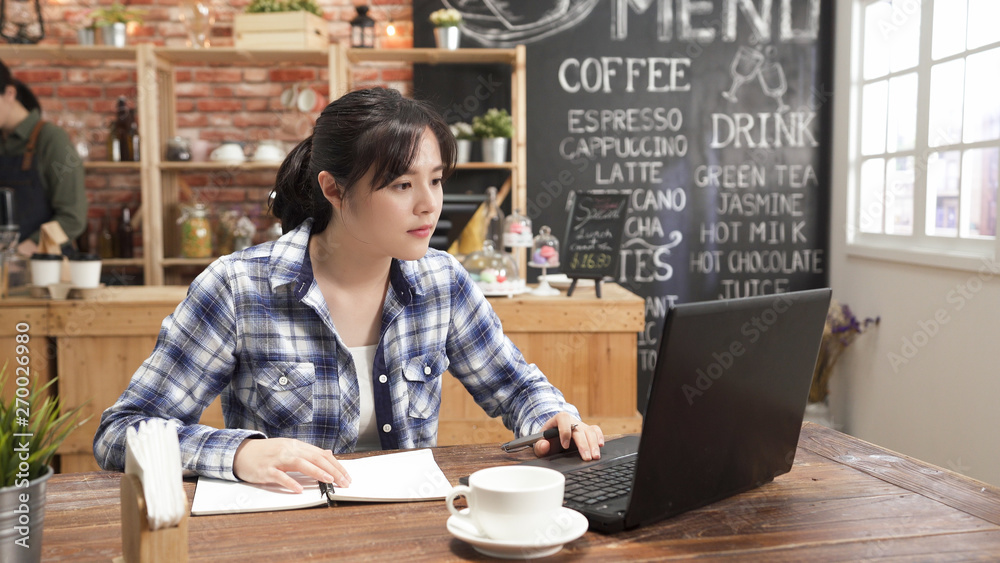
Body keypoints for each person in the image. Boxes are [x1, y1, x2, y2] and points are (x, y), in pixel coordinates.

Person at [94, 87, 604, 493]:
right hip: (283, 533)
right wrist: (240, 453)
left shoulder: (441, 281)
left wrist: (555, 419)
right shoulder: (238, 287)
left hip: (408, 530)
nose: (430, 206)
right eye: (403, 185)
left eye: (437, 180)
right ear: (334, 189)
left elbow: (516, 387)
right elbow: (122, 432)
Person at [0, 59, 87, 255]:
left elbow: (73, 219)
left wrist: (19, 254)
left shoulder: (51, 140)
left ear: (10, 94)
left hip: (45, 268)